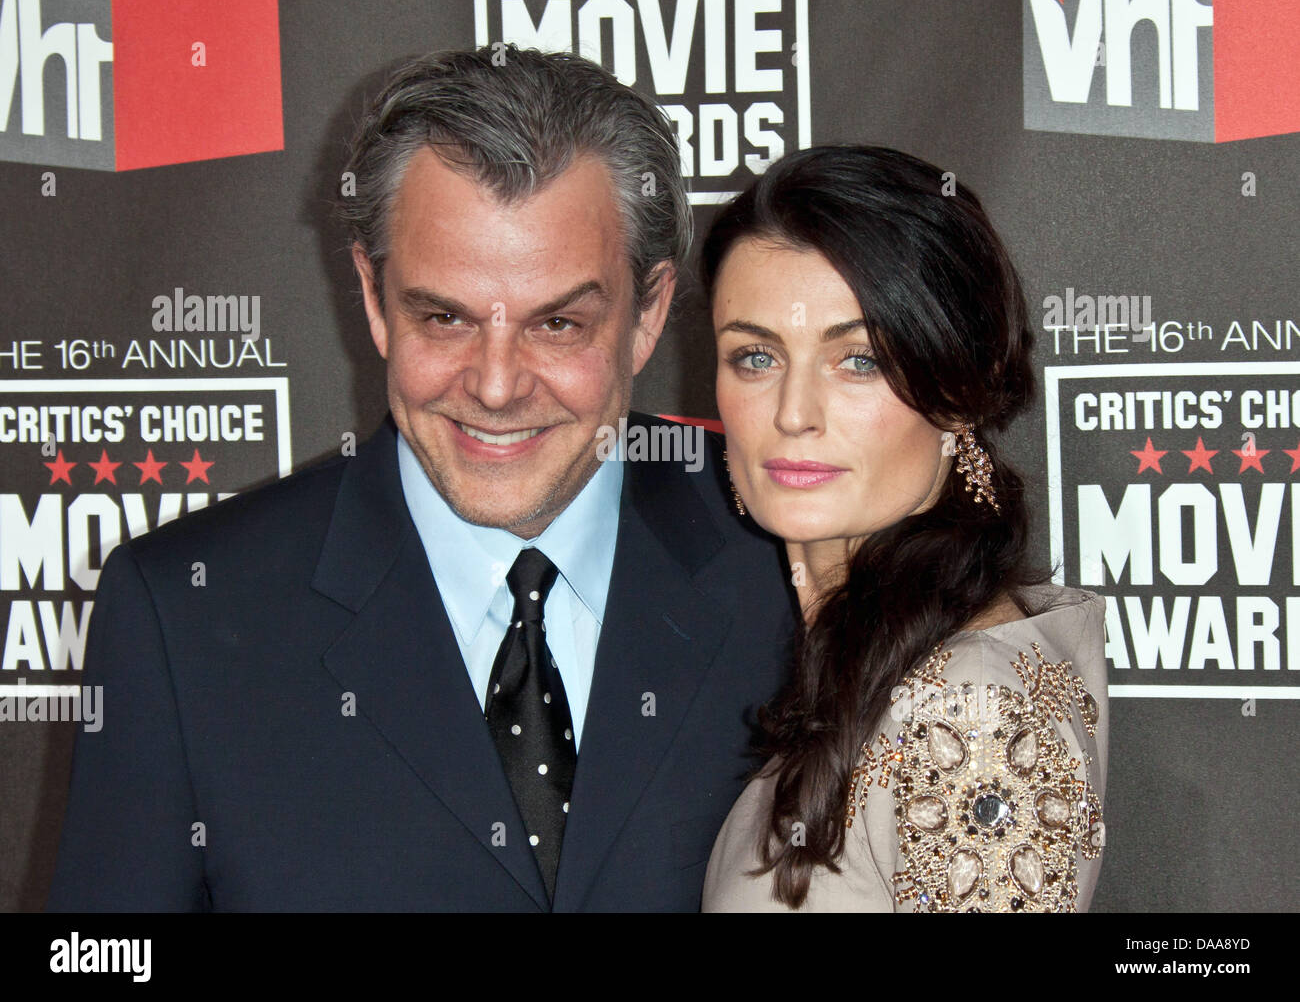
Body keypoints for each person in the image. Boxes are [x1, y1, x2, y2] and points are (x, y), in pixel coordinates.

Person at [45, 46, 797, 912]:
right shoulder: (182, 614)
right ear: (372, 296)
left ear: (649, 312)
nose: (496, 384)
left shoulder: (790, 554)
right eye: (444, 316)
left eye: (558, 323)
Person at [698, 145, 1108, 912]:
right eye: (755, 356)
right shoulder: (876, 662)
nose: (793, 413)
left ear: (959, 391)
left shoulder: (974, 709)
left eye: (858, 361)